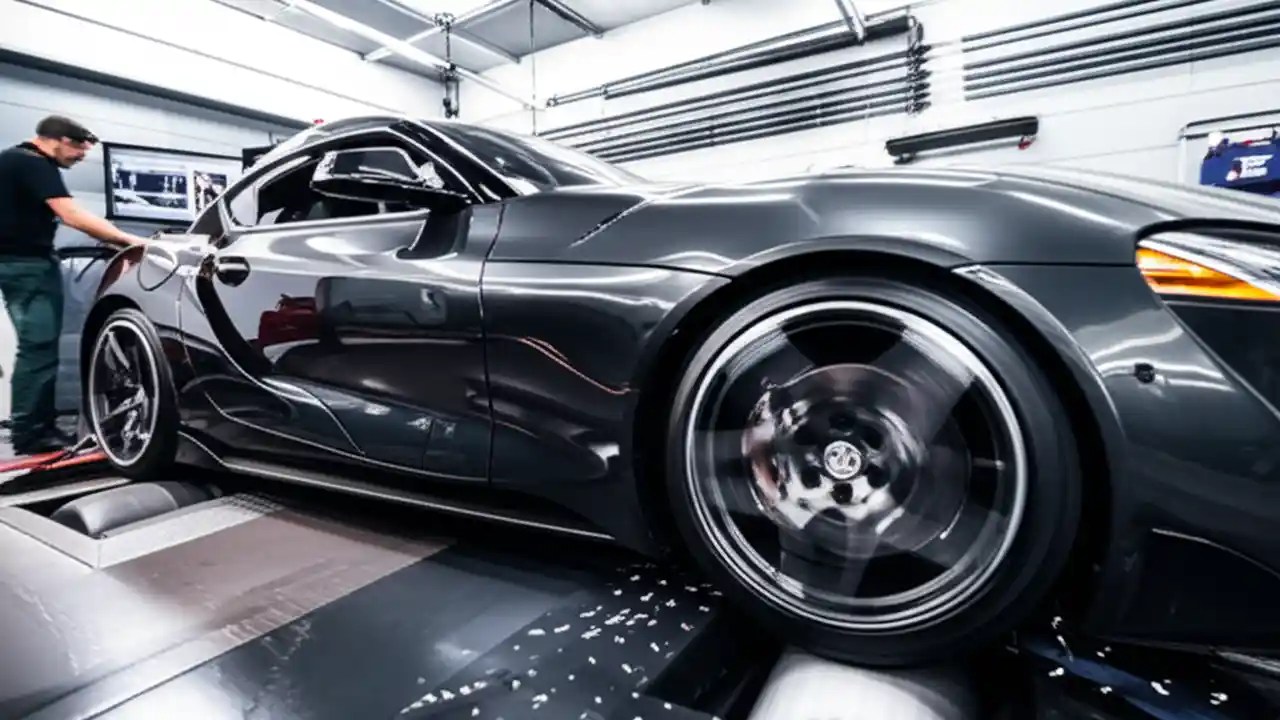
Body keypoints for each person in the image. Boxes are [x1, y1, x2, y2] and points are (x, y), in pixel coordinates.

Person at [0, 115, 148, 454]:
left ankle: (33, 426)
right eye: (78, 152)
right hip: (27, 267)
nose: (79, 159)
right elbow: (72, 215)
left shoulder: (11, 160)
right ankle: (31, 434)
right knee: (38, 348)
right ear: (60, 140)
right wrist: (128, 240)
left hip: (18, 264)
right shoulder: (34, 163)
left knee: (36, 347)